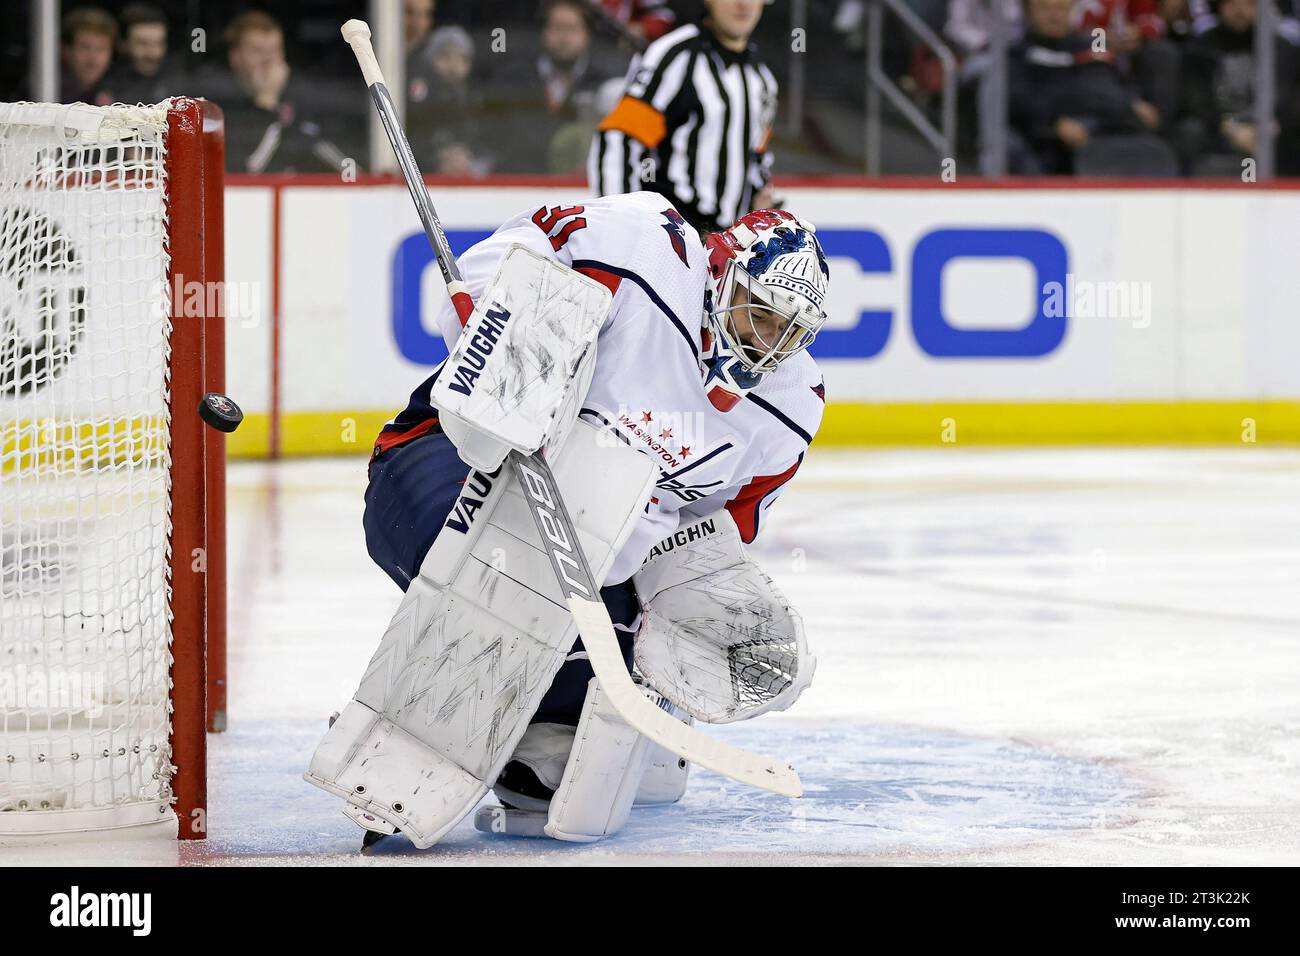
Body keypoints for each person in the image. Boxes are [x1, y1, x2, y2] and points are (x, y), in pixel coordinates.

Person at [341, 191, 828, 842]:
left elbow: (701, 543)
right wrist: (498, 315)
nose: (767, 342)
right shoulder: (643, 245)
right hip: (446, 460)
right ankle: (414, 733)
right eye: (762, 314)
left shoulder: (787, 411)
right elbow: (507, 264)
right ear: (722, 271)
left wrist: (679, 619)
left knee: (596, 658)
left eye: (788, 332)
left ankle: (539, 734)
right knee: (504, 571)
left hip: (581, 548)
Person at [589, 0, 779, 235]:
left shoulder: (762, 80)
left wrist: (760, 206)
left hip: (728, 245)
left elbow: (757, 161)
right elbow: (620, 138)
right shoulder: (675, 55)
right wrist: (622, 227)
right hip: (671, 235)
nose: (743, 4)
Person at [1008, 0, 1175, 173]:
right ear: (1028, 14)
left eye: (1061, 8)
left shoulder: (1091, 44)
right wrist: (1054, 123)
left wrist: (1132, 102)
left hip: (1110, 129)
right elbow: (1022, 100)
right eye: (1045, 8)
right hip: (1055, 140)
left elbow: (1110, 82)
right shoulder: (1018, 55)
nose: (1054, 15)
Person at [197, 10, 350, 174]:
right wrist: (266, 103)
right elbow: (242, 172)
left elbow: (342, 164)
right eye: (257, 52)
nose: (268, 61)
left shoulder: (305, 96)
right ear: (235, 57)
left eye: (274, 51)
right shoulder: (217, 102)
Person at [494, 0, 613, 173]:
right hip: (520, 181)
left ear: (586, 35)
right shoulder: (515, 78)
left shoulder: (602, 82)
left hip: (578, 187)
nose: (564, 38)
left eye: (572, 29)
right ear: (544, 32)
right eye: (557, 28)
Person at [106, 3, 174, 105]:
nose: (153, 54)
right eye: (143, 43)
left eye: (159, 43)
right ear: (122, 44)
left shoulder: (178, 80)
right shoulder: (100, 87)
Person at [59, 7, 117, 105]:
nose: (93, 59)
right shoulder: (48, 90)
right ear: (66, 50)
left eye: (101, 49)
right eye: (85, 47)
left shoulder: (117, 90)